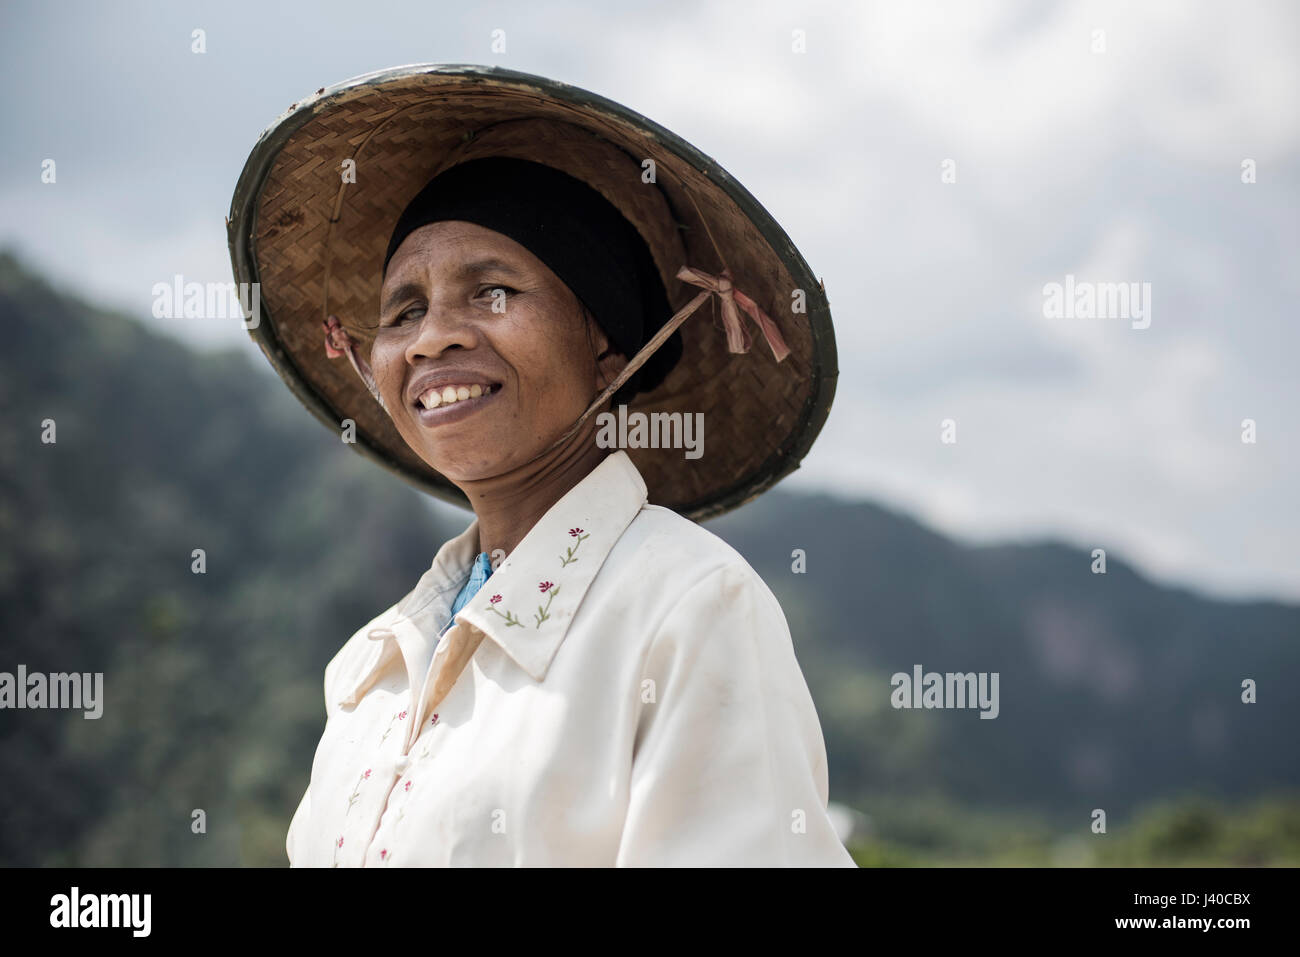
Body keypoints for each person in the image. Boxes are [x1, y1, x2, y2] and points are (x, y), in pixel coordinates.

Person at [228, 64, 853, 866]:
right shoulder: (372, 664)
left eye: (491, 291)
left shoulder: (688, 608)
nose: (430, 339)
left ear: (606, 349)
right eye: (405, 309)